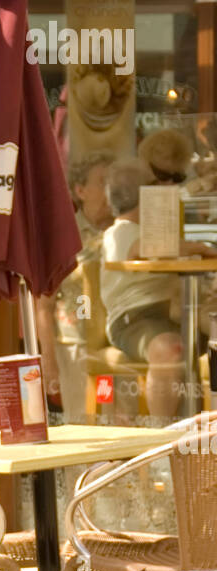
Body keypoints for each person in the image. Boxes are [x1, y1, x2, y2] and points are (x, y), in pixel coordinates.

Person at [100, 159, 207, 419]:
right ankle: (161, 442)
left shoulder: (156, 233)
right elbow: (150, 248)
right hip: (136, 318)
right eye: (155, 183)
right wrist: (203, 249)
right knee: (169, 349)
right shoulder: (120, 232)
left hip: (179, 311)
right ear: (143, 192)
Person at [35, 151, 115, 412]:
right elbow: (43, 304)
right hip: (75, 346)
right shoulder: (66, 238)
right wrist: (48, 361)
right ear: (80, 190)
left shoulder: (124, 230)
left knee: (118, 420)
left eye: (114, 181)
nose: (111, 189)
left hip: (117, 345)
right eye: (103, 182)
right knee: (87, 421)